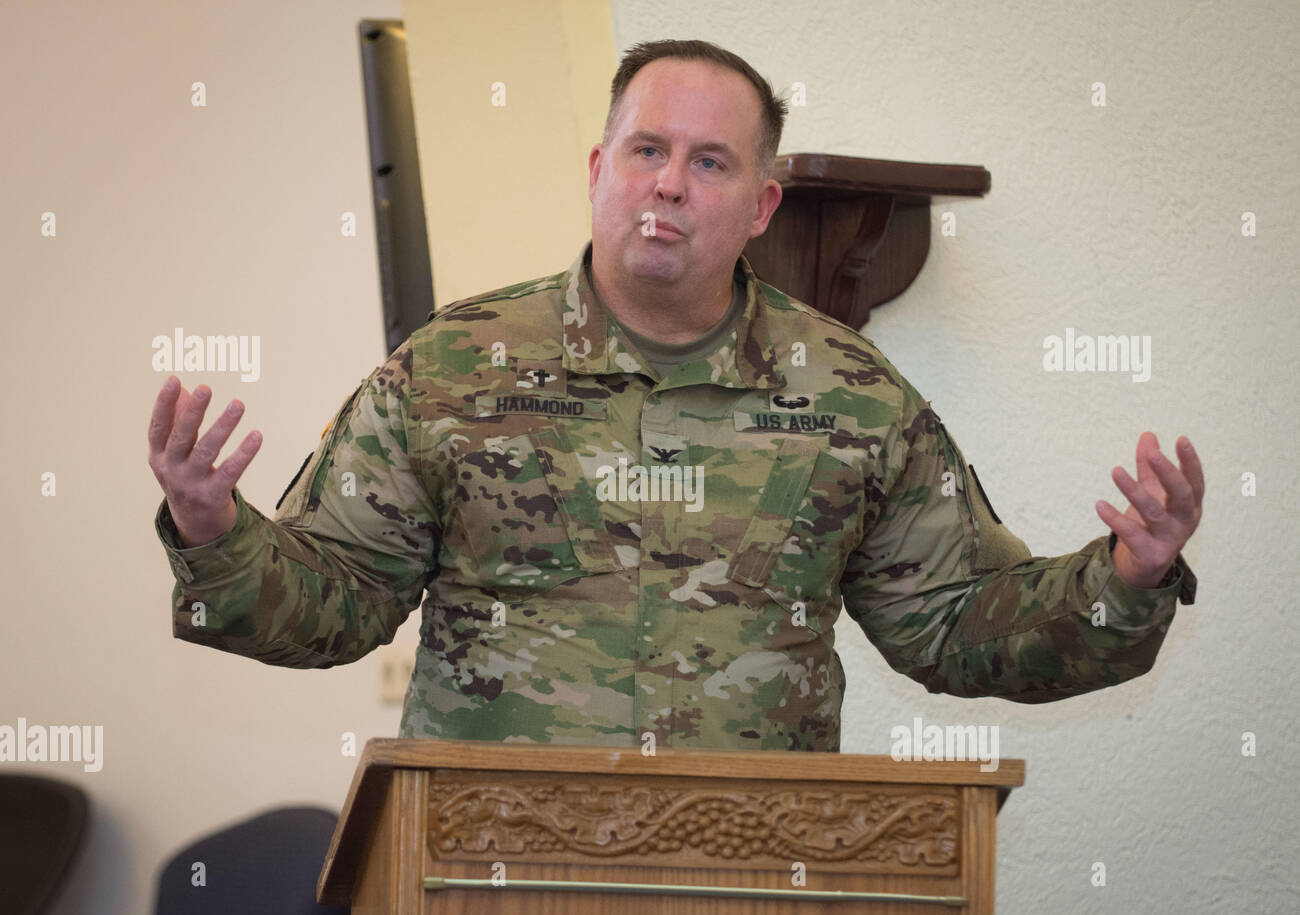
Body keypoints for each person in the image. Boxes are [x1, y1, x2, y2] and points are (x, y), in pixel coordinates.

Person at [147, 39, 1202, 751]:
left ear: (758, 203)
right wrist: (212, 529)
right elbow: (334, 605)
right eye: (647, 151)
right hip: (490, 871)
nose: (668, 184)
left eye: (709, 162)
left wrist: (1126, 574)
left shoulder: (854, 399)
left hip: (756, 883)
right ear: (600, 166)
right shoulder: (449, 371)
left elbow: (955, 625)